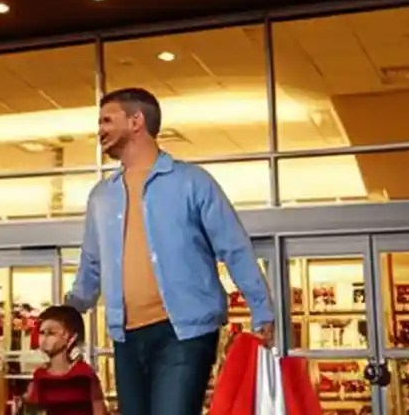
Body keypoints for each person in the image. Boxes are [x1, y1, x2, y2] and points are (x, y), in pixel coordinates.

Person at [65, 87, 275, 415]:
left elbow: (234, 247)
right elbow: (92, 263)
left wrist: (261, 309)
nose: (100, 130)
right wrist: (69, 310)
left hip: (185, 332)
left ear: (137, 121)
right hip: (125, 336)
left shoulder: (192, 182)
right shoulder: (101, 196)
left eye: (107, 120)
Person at [23, 305, 107, 415]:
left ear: (71, 337)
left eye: (51, 333)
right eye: (42, 333)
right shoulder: (40, 376)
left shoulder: (85, 374)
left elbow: (98, 408)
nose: (44, 338)